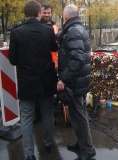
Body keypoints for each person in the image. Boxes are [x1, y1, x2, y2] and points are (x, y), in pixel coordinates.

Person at [8, 1, 58, 160]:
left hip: (27, 82)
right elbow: (55, 49)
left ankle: (29, 154)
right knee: (47, 114)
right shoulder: (47, 30)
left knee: (27, 118)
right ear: (39, 14)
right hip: (46, 80)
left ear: (25, 14)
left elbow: (13, 60)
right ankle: (48, 143)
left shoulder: (16, 32)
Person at [57, 4, 96, 160]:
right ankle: (81, 143)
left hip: (75, 81)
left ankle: (88, 148)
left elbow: (78, 58)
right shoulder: (77, 29)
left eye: (62, 16)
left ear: (66, 16)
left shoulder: (73, 31)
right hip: (79, 79)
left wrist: (63, 79)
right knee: (79, 112)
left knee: (78, 114)